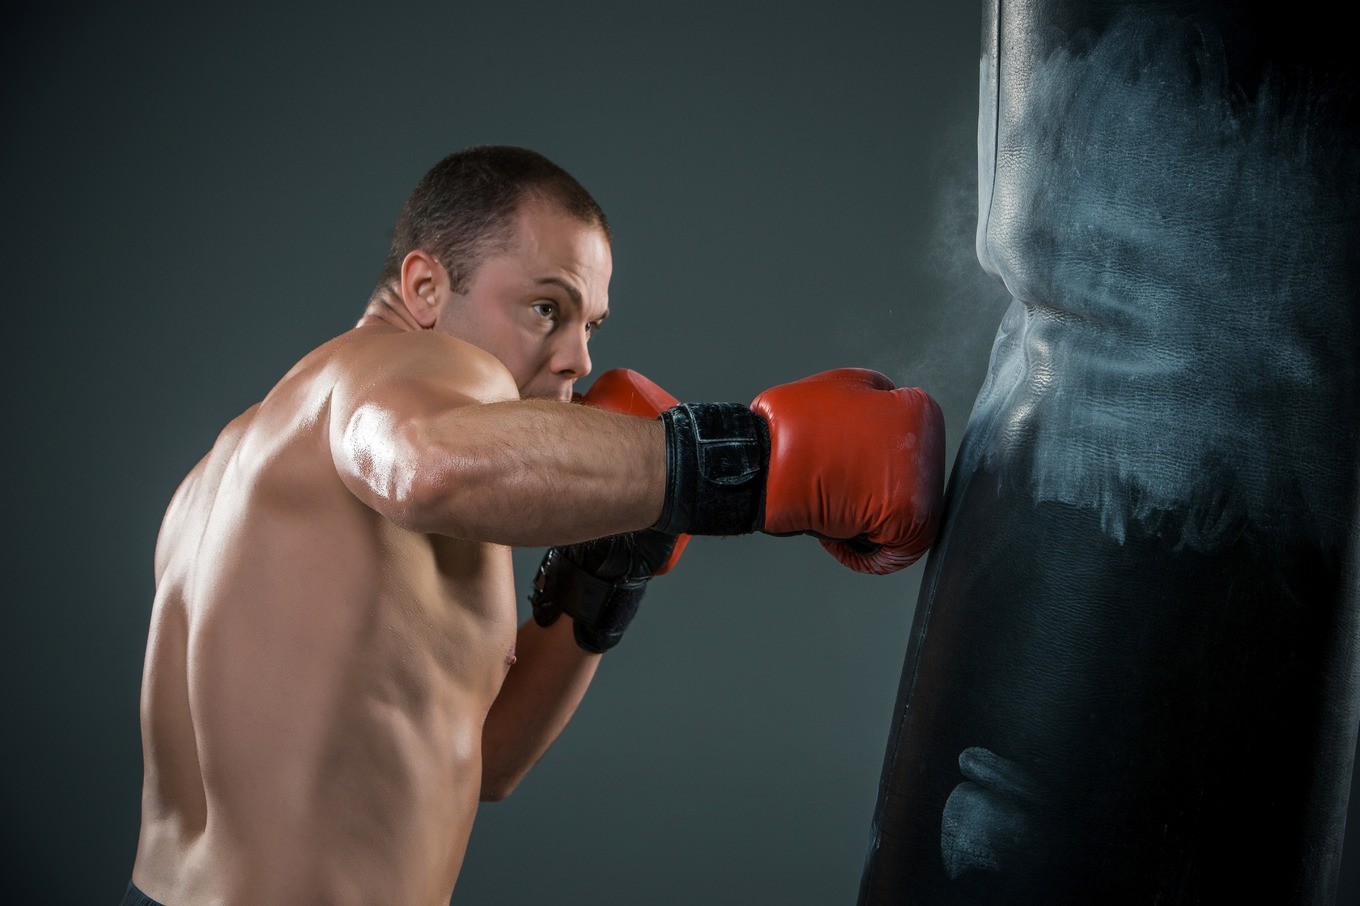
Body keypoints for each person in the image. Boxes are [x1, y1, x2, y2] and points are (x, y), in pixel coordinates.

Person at [126, 145, 946, 905]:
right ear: (424, 290)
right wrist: (742, 461)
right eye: (544, 309)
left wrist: (606, 571)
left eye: (590, 324)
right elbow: (424, 462)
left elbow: (483, 760)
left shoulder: (236, 465)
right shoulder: (395, 371)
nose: (577, 359)